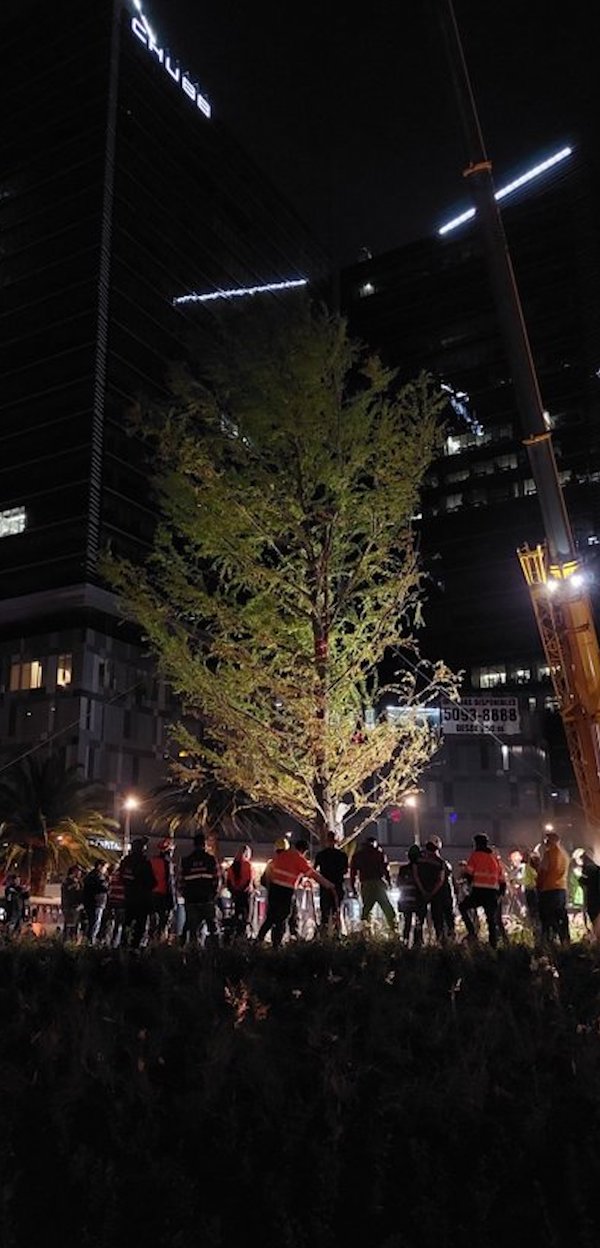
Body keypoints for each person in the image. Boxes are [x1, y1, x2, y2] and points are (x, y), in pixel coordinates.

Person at [257, 837, 336, 947]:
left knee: (271, 917)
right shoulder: (299, 859)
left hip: (274, 890)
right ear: (304, 851)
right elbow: (313, 874)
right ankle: (276, 945)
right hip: (286, 891)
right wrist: (328, 884)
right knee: (282, 917)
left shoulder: (282, 856)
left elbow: (274, 874)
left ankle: (258, 941)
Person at [458, 833, 504, 948]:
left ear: (477, 844)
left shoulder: (475, 856)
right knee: (491, 920)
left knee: (463, 907)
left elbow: (469, 874)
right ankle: (494, 946)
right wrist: (500, 893)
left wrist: (467, 882)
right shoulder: (494, 858)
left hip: (478, 891)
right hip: (492, 892)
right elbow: (502, 879)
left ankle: (472, 932)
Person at [350, 836, 397, 933]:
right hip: (378, 883)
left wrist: (353, 888)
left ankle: (366, 932)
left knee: (367, 909)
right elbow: (385, 870)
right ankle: (393, 930)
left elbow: (353, 873)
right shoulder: (379, 854)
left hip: (365, 884)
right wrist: (389, 883)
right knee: (387, 908)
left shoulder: (358, 855)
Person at [180, 831, 220, 946]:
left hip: (191, 900)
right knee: (213, 928)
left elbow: (180, 882)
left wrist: (185, 895)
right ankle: (216, 955)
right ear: (204, 844)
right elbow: (217, 880)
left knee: (193, 929)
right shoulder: (211, 860)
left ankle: (193, 954)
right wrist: (213, 895)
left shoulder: (186, 861)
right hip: (207, 899)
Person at [412, 839, 451, 945]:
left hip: (421, 892)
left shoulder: (418, 859)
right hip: (435, 894)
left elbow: (415, 875)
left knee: (419, 917)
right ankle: (440, 940)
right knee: (438, 918)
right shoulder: (440, 862)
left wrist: (422, 890)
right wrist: (432, 892)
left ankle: (418, 942)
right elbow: (440, 880)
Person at [120, 836, 156, 947]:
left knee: (127, 923)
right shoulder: (144, 863)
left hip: (128, 898)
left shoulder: (125, 861)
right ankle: (134, 947)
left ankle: (124, 944)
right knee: (140, 925)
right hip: (141, 900)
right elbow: (151, 882)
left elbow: (122, 878)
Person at [536, 830, 570, 944]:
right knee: (561, 916)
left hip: (548, 889)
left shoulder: (549, 854)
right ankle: (564, 941)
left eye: (546, 841)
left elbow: (543, 872)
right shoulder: (564, 855)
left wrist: (539, 885)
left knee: (547, 918)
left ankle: (548, 942)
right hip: (562, 888)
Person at [314, 831, 348, 934]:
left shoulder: (321, 855)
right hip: (337, 885)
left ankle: (324, 934)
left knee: (325, 911)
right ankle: (337, 933)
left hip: (325, 886)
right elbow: (345, 870)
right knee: (337, 910)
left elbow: (314, 870)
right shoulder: (342, 855)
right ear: (336, 841)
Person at [428, 835, 456, 940]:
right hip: (444, 895)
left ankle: (442, 938)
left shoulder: (436, 863)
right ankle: (448, 939)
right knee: (447, 918)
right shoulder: (443, 863)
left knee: (439, 919)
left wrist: (429, 893)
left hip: (438, 895)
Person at [150, 837, 177, 939]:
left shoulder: (152, 861)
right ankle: (161, 942)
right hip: (163, 896)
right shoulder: (167, 863)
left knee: (152, 923)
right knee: (164, 922)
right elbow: (169, 882)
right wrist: (173, 902)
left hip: (152, 895)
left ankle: (151, 942)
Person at [226, 845, 254, 938]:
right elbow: (249, 881)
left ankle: (235, 933)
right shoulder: (248, 865)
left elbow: (228, 882)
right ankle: (243, 934)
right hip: (245, 895)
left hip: (235, 895)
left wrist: (234, 892)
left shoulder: (231, 866)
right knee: (246, 916)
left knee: (236, 914)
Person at [396, 844, 422, 945]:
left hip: (405, 900)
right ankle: (417, 943)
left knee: (407, 922)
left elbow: (398, 883)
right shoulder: (420, 869)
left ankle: (405, 942)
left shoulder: (403, 869)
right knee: (419, 921)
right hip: (417, 899)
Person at [82, 862, 109, 944]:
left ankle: (88, 940)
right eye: (105, 867)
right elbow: (104, 887)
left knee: (91, 923)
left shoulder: (89, 876)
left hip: (89, 903)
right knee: (95, 923)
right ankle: (91, 941)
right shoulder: (99, 876)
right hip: (97, 903)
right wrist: (107, 882)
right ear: (100, 866)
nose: (105, 870)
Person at [579, 849, 600, 940]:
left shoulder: (588, 869)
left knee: (596, 923)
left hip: (593, 901)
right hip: (595, 901)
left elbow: (584, 882)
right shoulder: (596, 868)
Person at [61, 864, 84, 941]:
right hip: (70, 907)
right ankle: (67, 942)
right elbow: (68, 895)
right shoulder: (67, 882)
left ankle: (72, 941)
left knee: (75, 927)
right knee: (69, 927)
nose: (80, 873)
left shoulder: (79, 882)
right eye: (78, 871)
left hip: (77, 907)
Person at [2, 872, 29, 937]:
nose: (17, 882)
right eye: (16, 880)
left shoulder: (21, 889)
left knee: (19, 927)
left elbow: (26, 897)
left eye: (18, 880)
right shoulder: (9, 889)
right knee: (11, 926)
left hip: (20, 912)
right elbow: (8, 897)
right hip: (12, 912)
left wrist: (26, 891)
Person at [523, 851, 540, 932]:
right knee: (535, 912)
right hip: (535, 890)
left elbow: (527, 880)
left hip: (531, 890)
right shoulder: (538, 868)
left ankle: (535, 928)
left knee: (533, 911)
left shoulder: (528, 868)